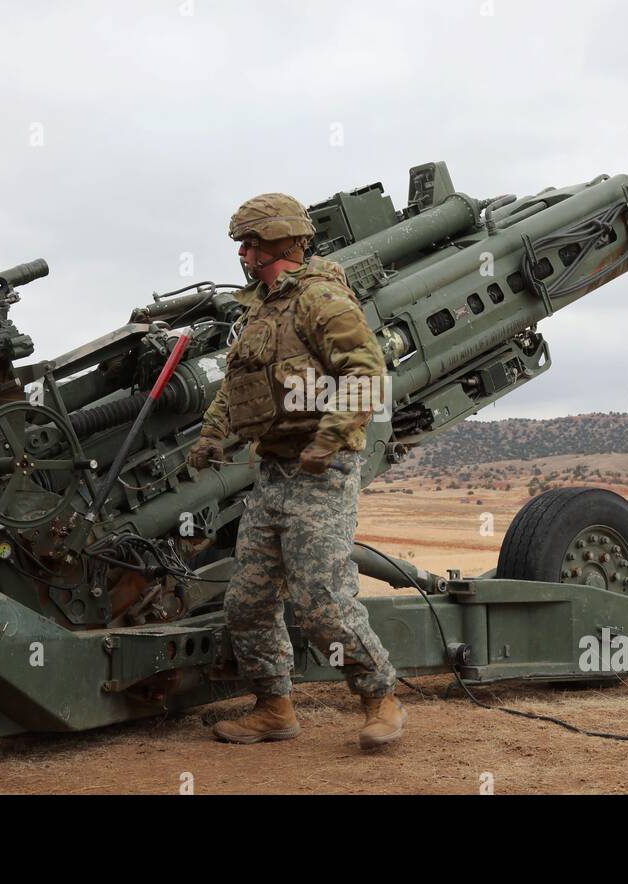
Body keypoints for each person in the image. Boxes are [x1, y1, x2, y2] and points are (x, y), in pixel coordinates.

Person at [186, 192, 406, 749]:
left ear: (281, 241)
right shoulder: (260, 309)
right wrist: (212, 434)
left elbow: (366, 370)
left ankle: (380, 697)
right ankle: (274, 707)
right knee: (248, 600)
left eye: (251, 242)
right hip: (275, 471)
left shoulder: (320, 299)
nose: (242, 252)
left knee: (321, 600)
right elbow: (237, 389)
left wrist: (330, 439)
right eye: (241, 243)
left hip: (322, 469)